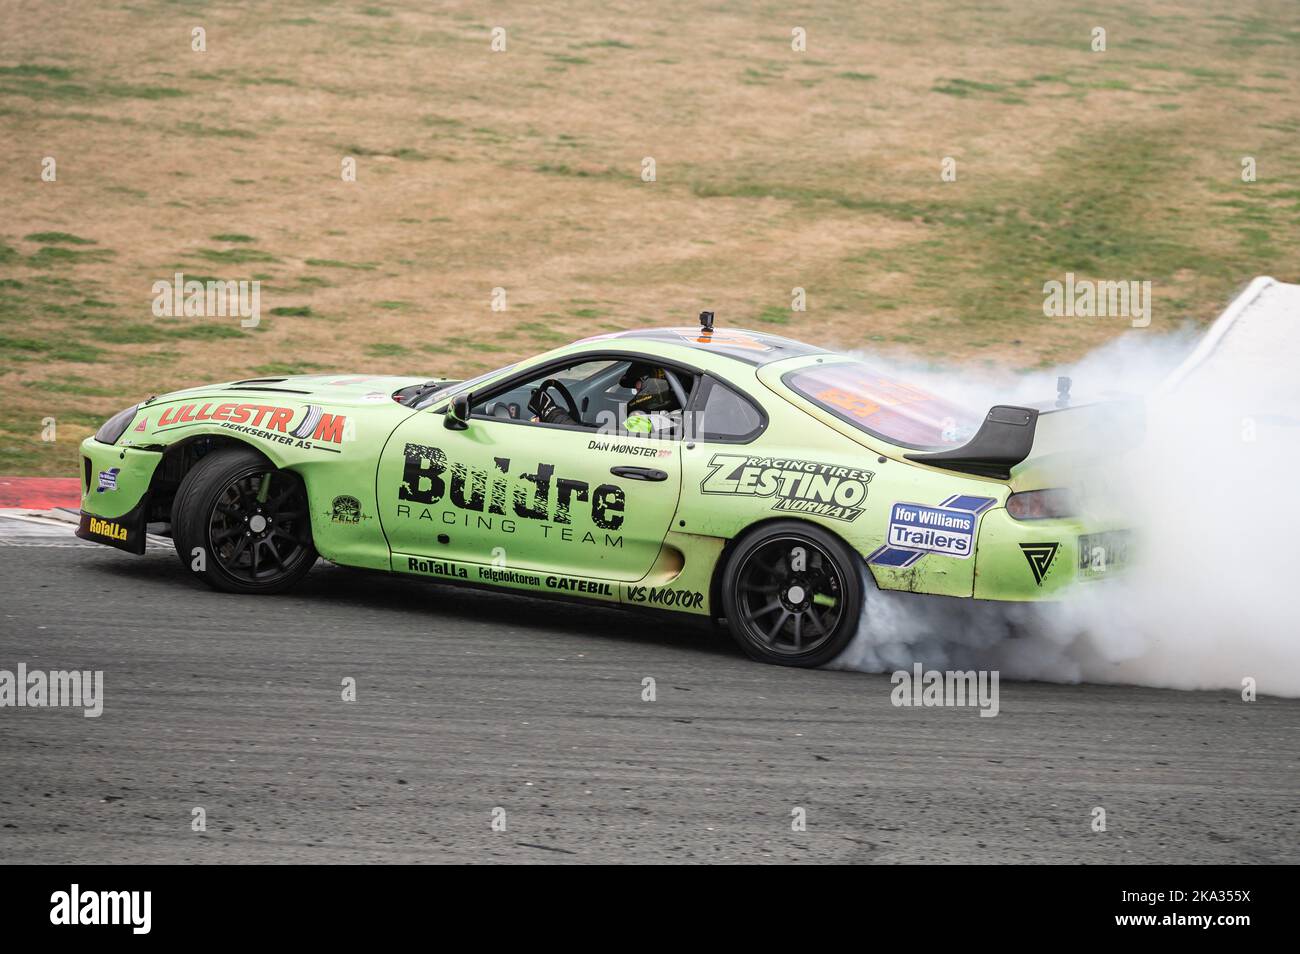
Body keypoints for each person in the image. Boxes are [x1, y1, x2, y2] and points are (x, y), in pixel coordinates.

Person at [533, 363, 678, 433]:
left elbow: (596, 437)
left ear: (655, 383)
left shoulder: (649, 422)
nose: (636, 389)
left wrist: (552, 414)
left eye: (638, 383)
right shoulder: (678, 415)